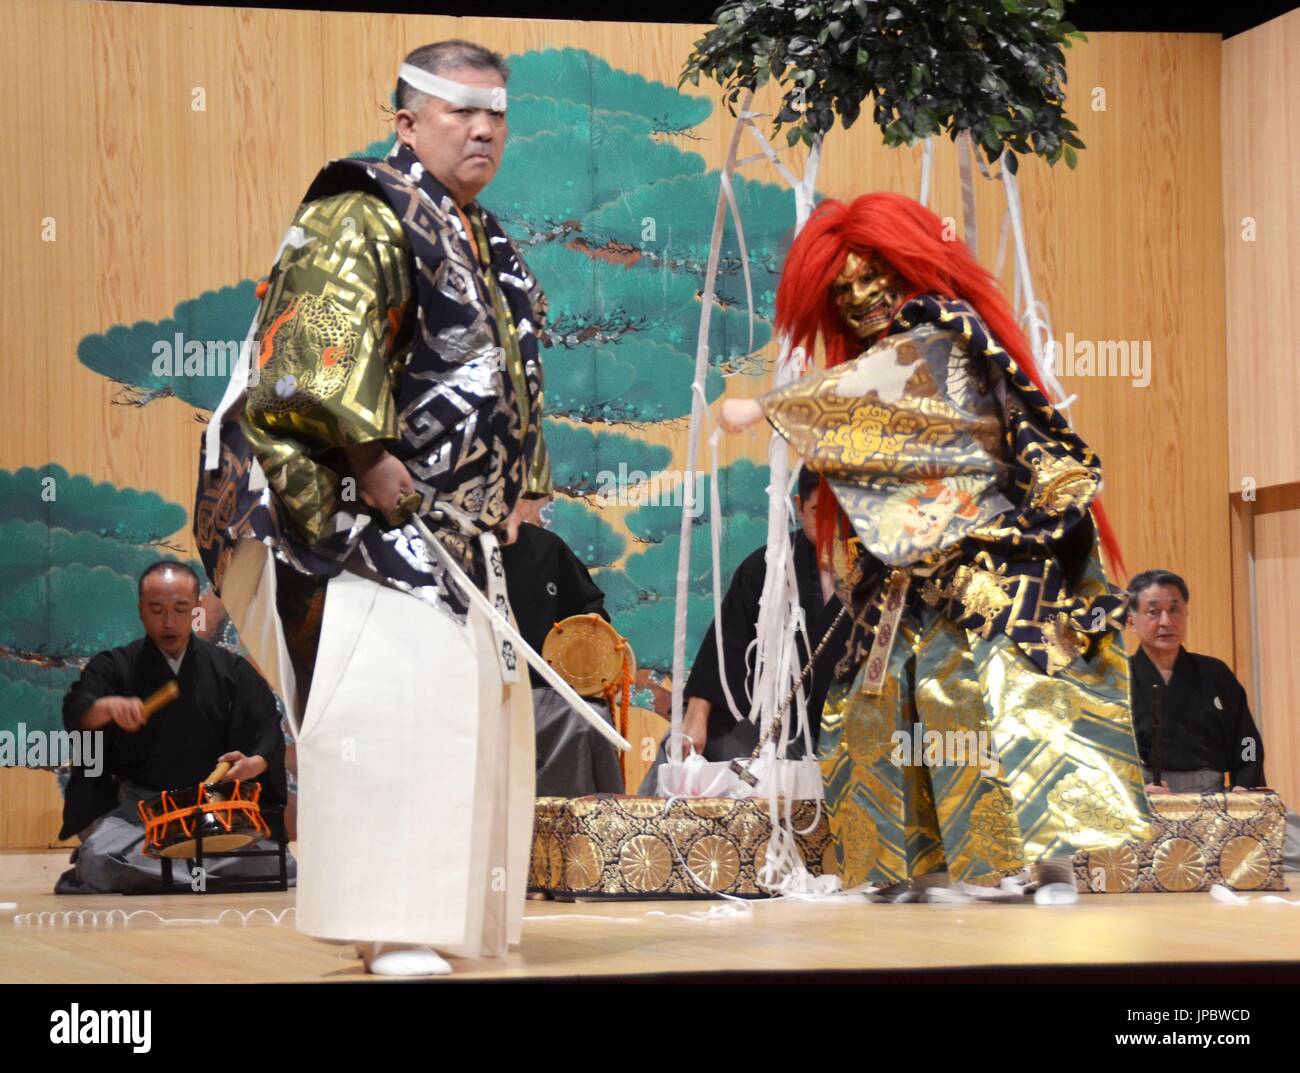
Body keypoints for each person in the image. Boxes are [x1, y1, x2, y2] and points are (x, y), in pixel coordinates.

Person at [195, 40, 549, 976]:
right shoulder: (366, 203)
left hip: (455, 528)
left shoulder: (479, 229)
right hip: (376, 522)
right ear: (407, 121)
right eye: (458, 110)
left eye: (497, 114)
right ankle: (388, 921)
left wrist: (518, 485)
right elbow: (316, 337)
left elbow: (505, 372)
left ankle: (432, 914)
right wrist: (367, 450)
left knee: (461, 721)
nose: (483, 129)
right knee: (397, 715)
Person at [718, 193, 1153, 900]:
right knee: (873, 702)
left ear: (903, 266)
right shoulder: (876, 351)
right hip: (912, 568)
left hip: (996, 553)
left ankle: (1052, 861)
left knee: (1010, 696)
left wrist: (767, 407)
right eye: (843, 291)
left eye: (871, 278)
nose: (861, 299)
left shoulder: (943, 328)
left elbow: (883, 398)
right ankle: (899, 861)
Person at [55, 562, 291, 894]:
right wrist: (105, 708)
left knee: (277, 862)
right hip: (140, 813)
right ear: (140, 611)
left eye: (180, 609)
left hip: (213, 806)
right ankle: (193, 870)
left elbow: (266, 725)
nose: (169, 622)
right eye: (156, 610)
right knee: (99, 858)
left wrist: (255, 763)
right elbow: (78, 709)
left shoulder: (229, 670)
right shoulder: (114, 666)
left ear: (195, 609)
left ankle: (165, 868)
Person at [638, 467, 850, 794]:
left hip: (843, 732)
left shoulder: (878, 573)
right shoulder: (768, 566)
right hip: (768, 723)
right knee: (686, 750)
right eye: (817, 513)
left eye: (842, 514)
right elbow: (727, 643)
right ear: (798, 505)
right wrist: (695, 717)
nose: (829, 528)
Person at [499, 506, 623, 796]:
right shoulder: (454, 547)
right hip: (478, 690)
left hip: (550, 693)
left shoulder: (547, 547)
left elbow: (590, 609)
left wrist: (584, 655)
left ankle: (583, 828)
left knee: (588, 720)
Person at [1127, 569, 1264, 792]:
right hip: (1144, 803)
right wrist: (1132, 791)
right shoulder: (1117, 678)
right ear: (1132, 622)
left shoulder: (1215, 673)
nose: (1166, 622)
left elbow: (1247, 740)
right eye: (1153, 612)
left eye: (1174, 610)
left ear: (1186, 614)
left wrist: (1244, 787)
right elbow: (1096, 754)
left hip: (1211, 801)